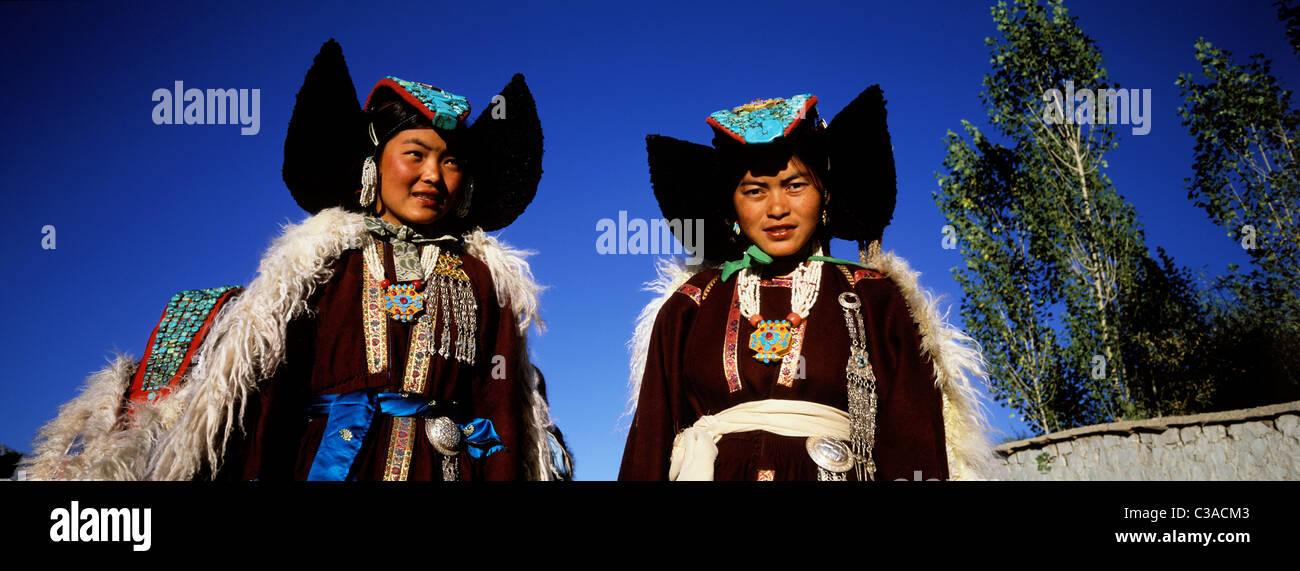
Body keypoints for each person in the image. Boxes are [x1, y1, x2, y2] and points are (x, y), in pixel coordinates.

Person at [24, 40, 571, 481]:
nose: (433, 175)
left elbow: (500, 404)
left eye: (450, 162)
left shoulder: (483, 278)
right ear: (373, 168)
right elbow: (274, 389)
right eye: (415, 154)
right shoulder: (323, 264)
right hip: (332, 463)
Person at [620, 89, 991, 481]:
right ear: (731, 206)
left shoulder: (873, 297)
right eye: (754, 190)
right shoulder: (692, 304)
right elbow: (648, 446)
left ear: (825, 194)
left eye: (795, 185)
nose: (777, 208)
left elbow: (915, 445)